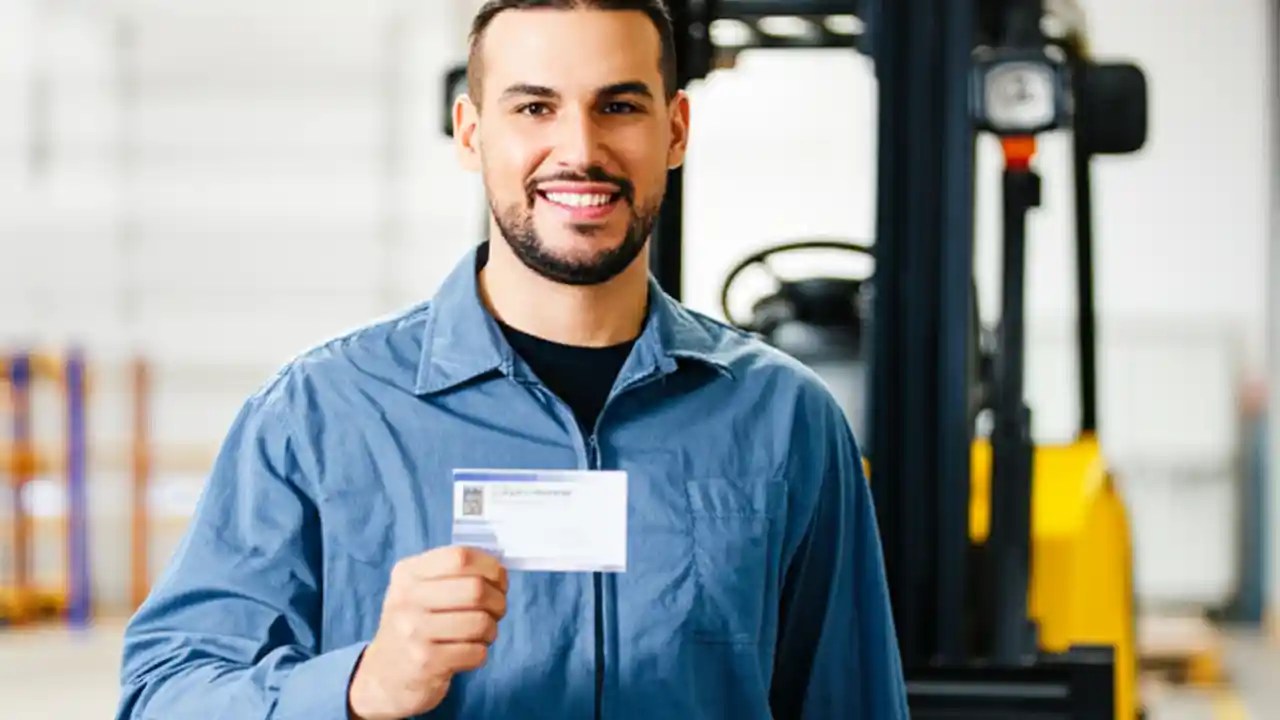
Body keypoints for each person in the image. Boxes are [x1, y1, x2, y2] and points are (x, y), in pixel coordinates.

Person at [115, 1, 908, 718]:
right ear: (471, 131)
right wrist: (361, 684)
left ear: (674, 131)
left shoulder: (783, 418)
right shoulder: (320, 413)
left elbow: (851, 699)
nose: (580, 150)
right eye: (535, 107)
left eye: (619, 106)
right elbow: (165, 694)